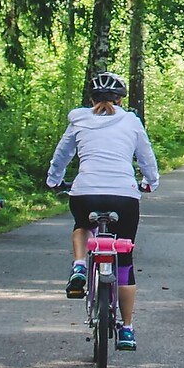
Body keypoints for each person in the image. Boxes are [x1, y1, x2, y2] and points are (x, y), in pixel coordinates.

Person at [46, 71, 159, 351]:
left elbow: (63, 154)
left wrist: (54, 179)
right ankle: (127, 329)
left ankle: (80, 266)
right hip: (124, 197)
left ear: (91, 98)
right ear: (120, 99)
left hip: (86, 193)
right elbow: (146, 158)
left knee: (82, 225)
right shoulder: (132, 121)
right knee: (125, 260)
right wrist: (150, 182)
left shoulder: (78, 119)